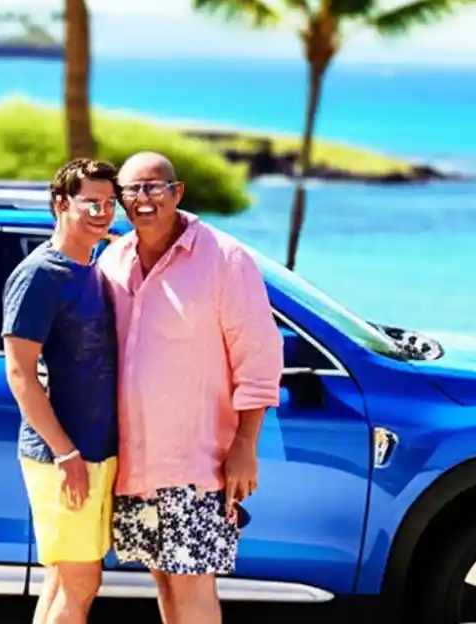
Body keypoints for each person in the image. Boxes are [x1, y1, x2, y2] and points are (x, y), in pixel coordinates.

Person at [97, 151, 284, 624]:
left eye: (153, 187)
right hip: (136, 462)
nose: (142, 199)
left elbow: (259, 358)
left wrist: (245, 445)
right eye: (132, 190)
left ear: (177, 192)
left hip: (197, 462)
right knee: (163, 577)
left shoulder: (224, 258)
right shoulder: (114, 260)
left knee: (192, 582)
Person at [2, 158, 121, 624]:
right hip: (63, 457)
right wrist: (66, 454)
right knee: (80, 580)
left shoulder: (93, 268)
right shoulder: (39, 275)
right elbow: (19, 374)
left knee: (61, 578)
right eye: (90, 202)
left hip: (94, 451)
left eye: (110, 203)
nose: (102, 212)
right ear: (60, 204)